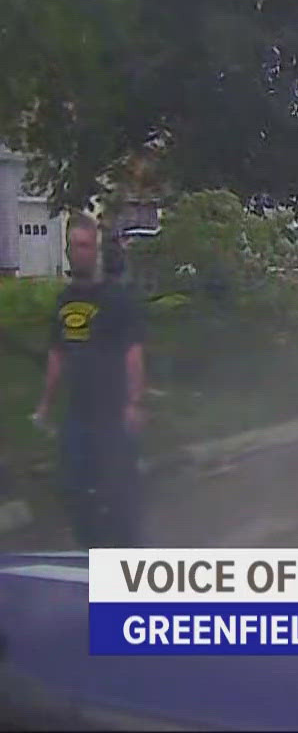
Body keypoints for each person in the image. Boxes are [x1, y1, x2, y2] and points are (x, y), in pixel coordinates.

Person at [34, 213, 147, 547]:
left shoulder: (116, 299)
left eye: (85, 246)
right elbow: (57, 354)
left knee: (119, 494)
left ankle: (129, 556)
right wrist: (45, 405)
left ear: (95, 251)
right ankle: (88, 552)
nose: (79, 252)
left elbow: (133, 353)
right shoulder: (64, 301)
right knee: (73, 488)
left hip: (112, 412)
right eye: (74, 246)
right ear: (67, 250)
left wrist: (134, 402)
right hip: (78, 414)